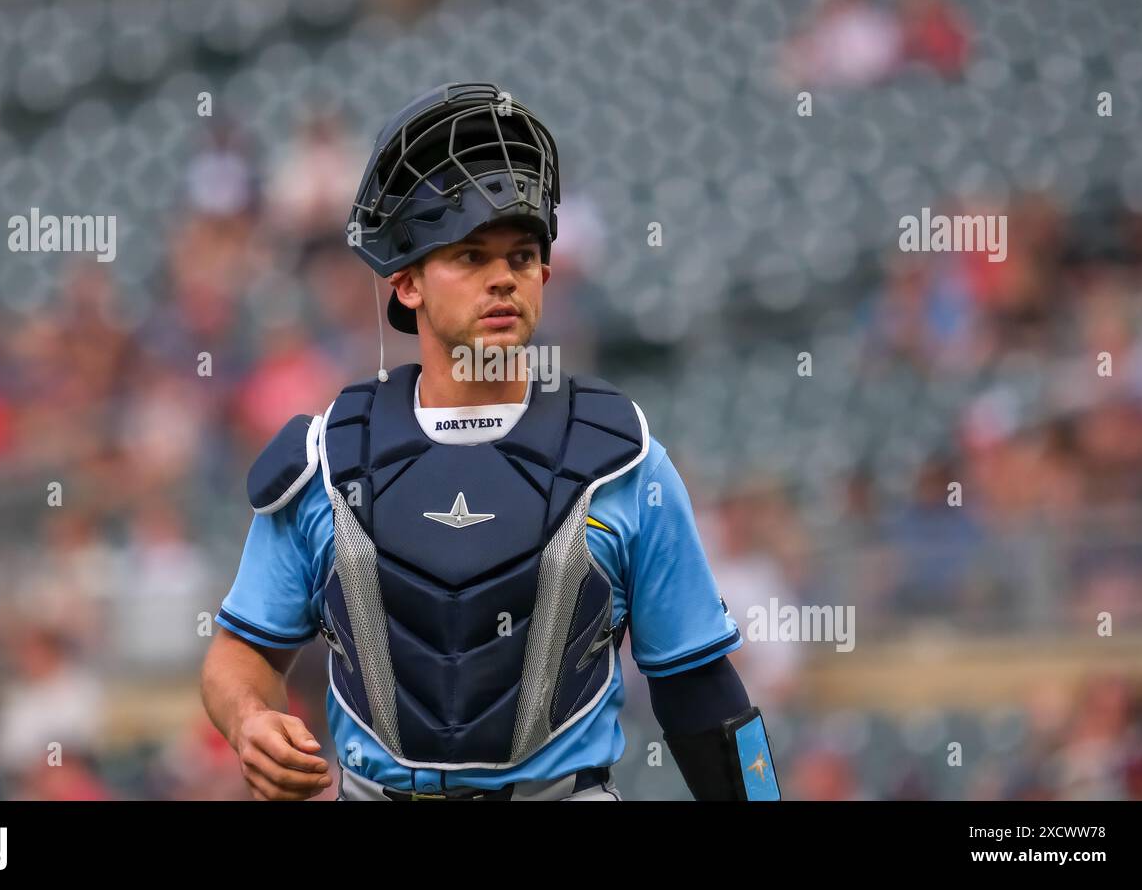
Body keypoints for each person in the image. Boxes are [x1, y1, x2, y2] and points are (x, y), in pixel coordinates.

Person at [200, 82, 779, 801]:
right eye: (470, 257)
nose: (503, 277)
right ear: (407, 284)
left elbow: (699, 687)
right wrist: (250, 717)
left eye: (522, 254)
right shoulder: (327, 461)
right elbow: (243, 651)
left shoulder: (624, 463)